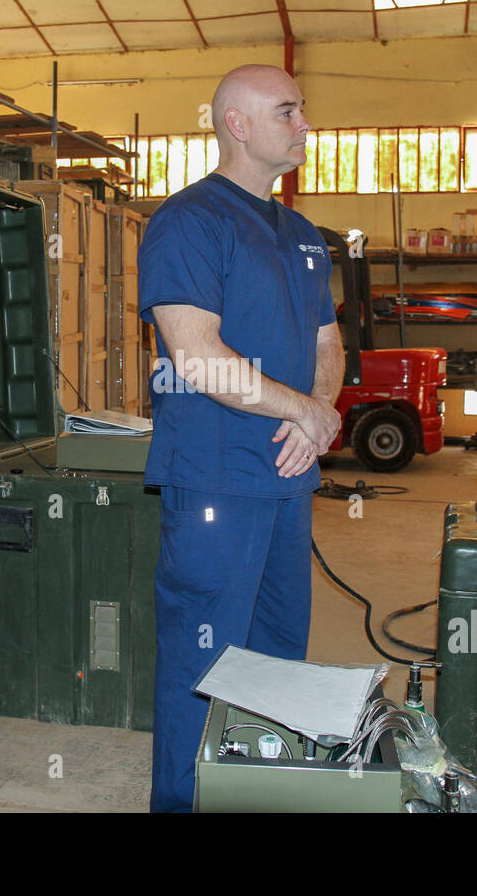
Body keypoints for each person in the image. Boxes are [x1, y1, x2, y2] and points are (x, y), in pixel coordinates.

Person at [137, 64, 345, 812]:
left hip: (289, 475)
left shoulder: (303, 234)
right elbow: (195, 356)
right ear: (237, 124)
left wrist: (316, 413)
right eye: (288, 111)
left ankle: (259, 796)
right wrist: (306, 413)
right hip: (218, 481)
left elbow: (329, 342)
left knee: (279, 654)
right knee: (206, 662)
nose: (304, 126)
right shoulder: (190, 221)